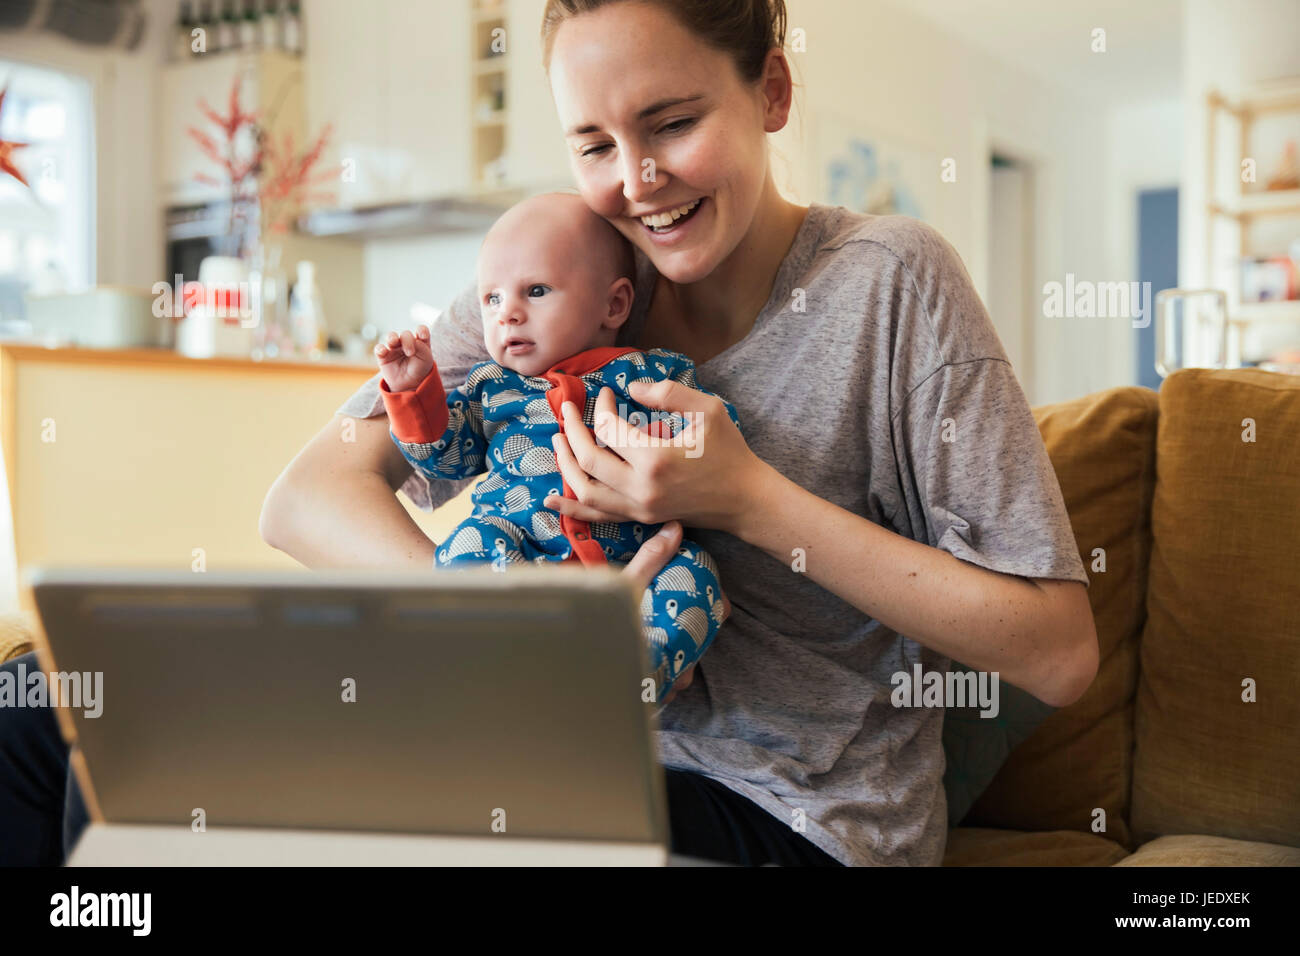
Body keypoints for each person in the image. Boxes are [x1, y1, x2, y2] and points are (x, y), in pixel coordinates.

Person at [0, 0, 1097, 867]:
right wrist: (514, 625)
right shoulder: (554, 281)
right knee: (54, 729)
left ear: (769, 87)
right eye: (593, 143)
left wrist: (747, 498)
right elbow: (305, 499)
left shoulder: (890, 283)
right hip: (533, 739)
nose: (634, 182)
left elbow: (1055, 648)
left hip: (783, 811)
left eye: (671, 123)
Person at [374, 191, 741, 702]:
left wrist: (674, 442)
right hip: (519, 546)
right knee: (467, 545)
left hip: (634, 556)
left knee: (697, 575)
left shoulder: (653, 373)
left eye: (537, 290)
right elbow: (446, 458)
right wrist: (416, 392)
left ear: (613, 305)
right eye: (492, 299)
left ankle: (628, 683)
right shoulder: (490, 387)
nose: (508, 314)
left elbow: (718, 437)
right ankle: (503, 668)